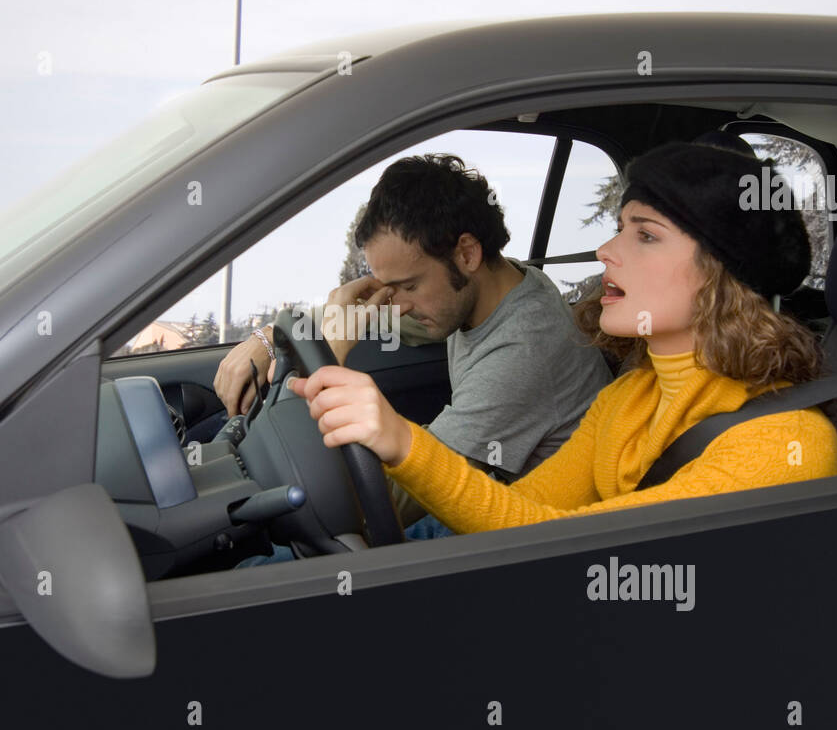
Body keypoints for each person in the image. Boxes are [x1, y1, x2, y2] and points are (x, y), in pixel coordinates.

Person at [285, 141, 837, 533]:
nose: (608, 251)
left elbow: (560, 544)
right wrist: (276, 340)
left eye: (645, 236)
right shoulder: (628, 401)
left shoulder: (782, 448)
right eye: (618, 228)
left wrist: (405, 444)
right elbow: (517, 514)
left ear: (722, 274)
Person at [216, 153, 612, 562]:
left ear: (466, 254)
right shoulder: (488, 287)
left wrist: (330, 358)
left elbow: (392, 504)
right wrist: (268, 338)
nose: (396, 305)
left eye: (406, 285)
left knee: (264, 566)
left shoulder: (523, 352)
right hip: (489, 500)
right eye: (386, 288)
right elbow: (365, 316)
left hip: (527, 544)